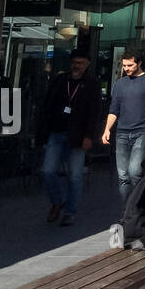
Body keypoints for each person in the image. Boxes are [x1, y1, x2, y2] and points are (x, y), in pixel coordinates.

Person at [37, 52, 104, 226]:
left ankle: (70, 212)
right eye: (74, 62)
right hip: (57, 132)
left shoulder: (91, 84)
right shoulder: (60, 80)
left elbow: (94, 112)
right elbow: (48, 104)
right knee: (47, 171)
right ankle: (57, 201)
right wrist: (43, 128)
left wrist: (89, 135)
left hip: (78, 135)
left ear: (87, 64)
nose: (77, 66)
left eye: (80, 62)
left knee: (74, 176)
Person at [101, 51, 145, 203]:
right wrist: (107, 129)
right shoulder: (120, 84)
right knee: (123, 175)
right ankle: (128, 211)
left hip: (143, 130)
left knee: (134, 170)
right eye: (124, 66)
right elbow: (114, 109)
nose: (126, 69)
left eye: (130, 65)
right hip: (122, 132)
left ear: (139, 63)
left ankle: (141, 204)